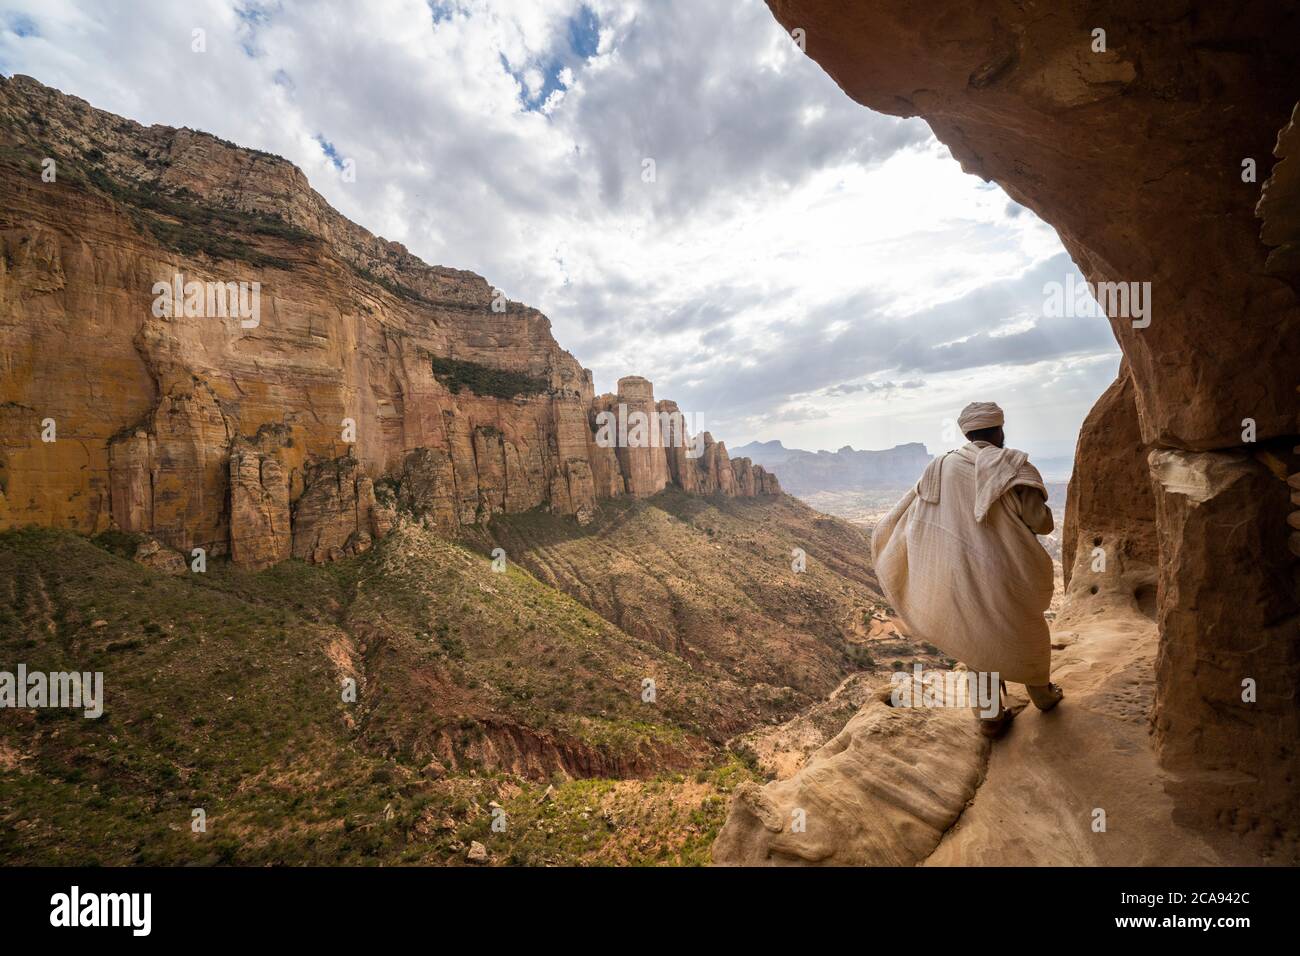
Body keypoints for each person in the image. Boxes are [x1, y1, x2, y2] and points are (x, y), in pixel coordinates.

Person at [871, 401, 1063, 737]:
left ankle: (990, 716)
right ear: (999, 430)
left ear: (967, 432)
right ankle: (1043, 696)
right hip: (1008, 572)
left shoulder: (940, 467)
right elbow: (1041, 523)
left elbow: (915, 514)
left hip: (961, 572)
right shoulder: (1014, 467)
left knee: (978, 640)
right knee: (1027, 631)